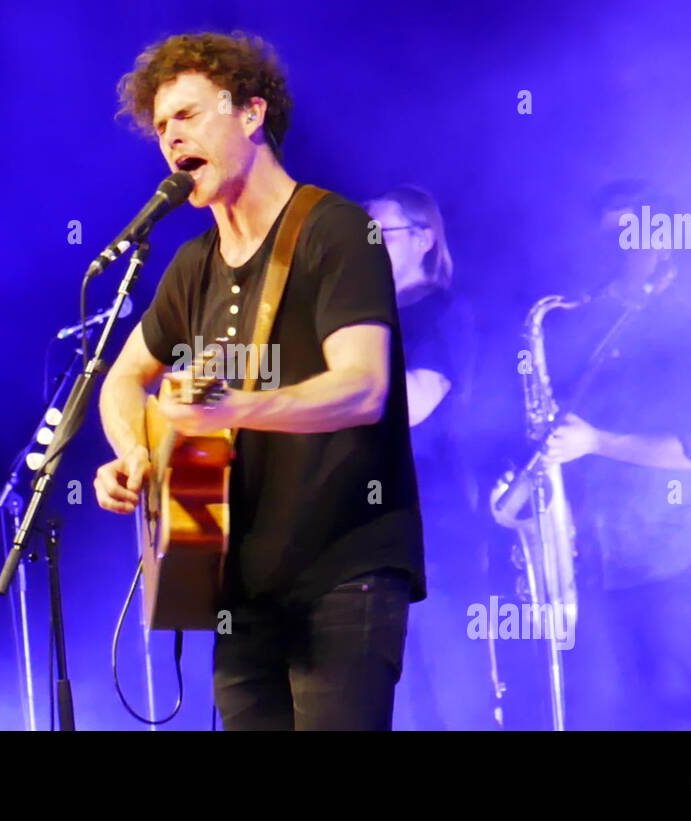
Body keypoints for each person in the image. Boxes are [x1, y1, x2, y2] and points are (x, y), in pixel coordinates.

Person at [92, 32, 425, 730]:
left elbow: (364, 387)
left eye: (187, 115)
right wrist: (136, 455)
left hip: (341, 572)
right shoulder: (193, 265)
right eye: (160, 127)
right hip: (236, 589)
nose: (170, 138)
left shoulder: (337, 230)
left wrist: (238, 406)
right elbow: (122, 379)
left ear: (250, 113)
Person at [543, 180, 691, 730]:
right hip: (599, 557)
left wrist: (596, 441)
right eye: (606, 237)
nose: (614, 249)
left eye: (628, 235)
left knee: (672, 717)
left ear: (664, 244)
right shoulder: (596, 324)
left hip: (671, 557)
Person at [365, 186, 494, 729]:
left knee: (452, 691)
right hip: (374, 537)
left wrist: (348, 363)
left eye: (379, 231)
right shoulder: (369, 317)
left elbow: (414, 402)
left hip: (435, 530)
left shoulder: (441, 310)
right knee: (400, 698)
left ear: (423, 238)